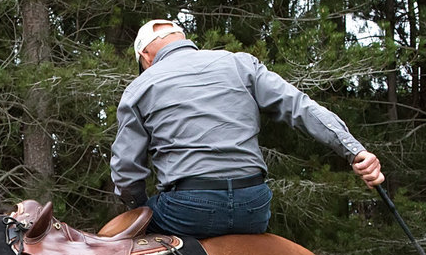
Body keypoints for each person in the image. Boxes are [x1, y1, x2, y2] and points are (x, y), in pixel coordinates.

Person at [109, 18, 384, 237]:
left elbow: (126, 171)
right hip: (253, 205)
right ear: (182, 39)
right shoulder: (241, 64)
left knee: (124, 247)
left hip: (187, 209)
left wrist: (138, 208)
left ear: (145, 56)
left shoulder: (140, 86)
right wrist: (354, 151)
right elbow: (300, 106)